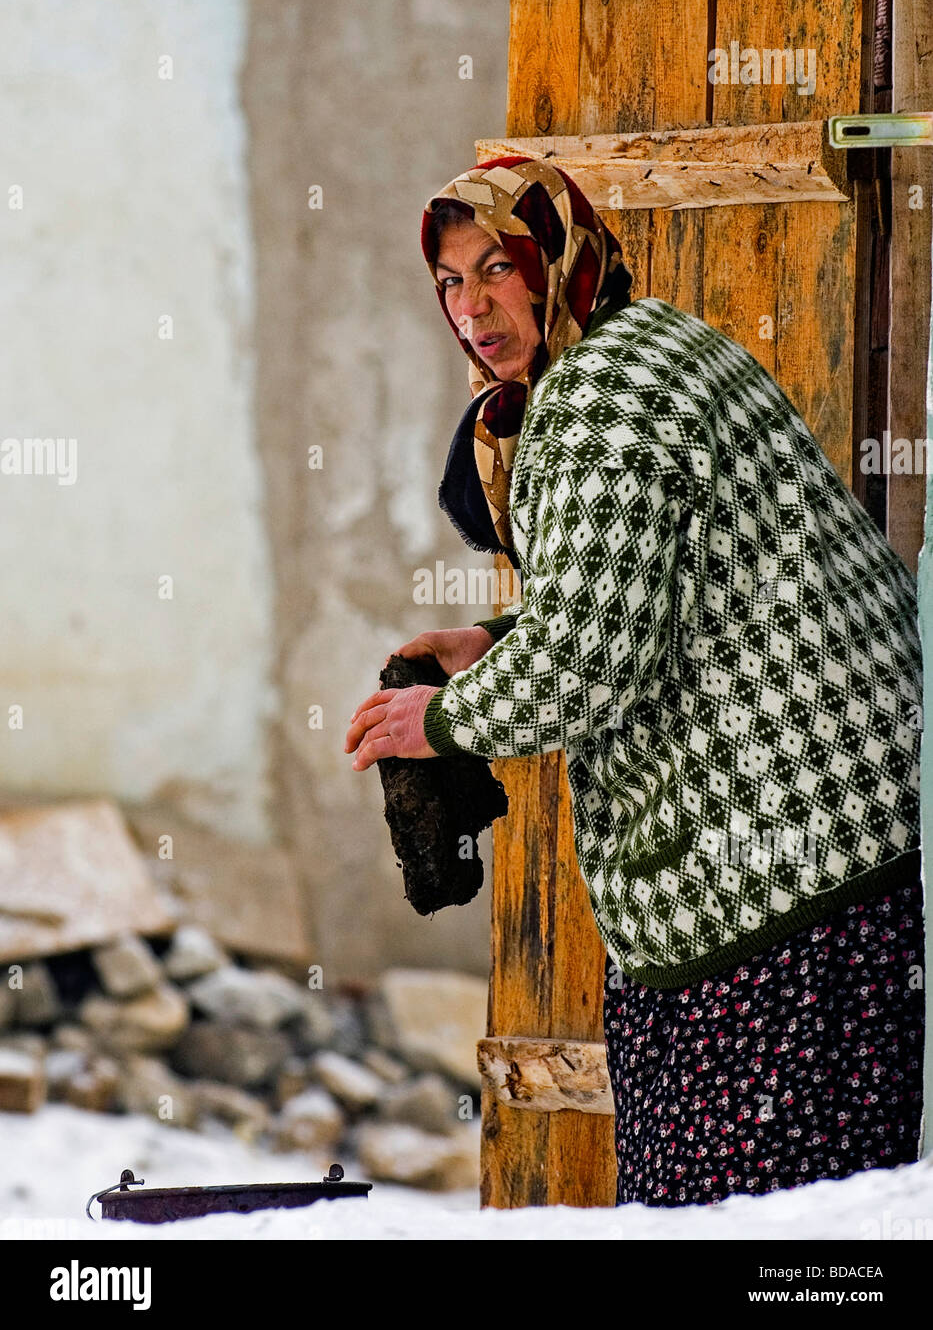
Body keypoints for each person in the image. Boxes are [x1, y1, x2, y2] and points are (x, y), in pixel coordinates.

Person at [344, 155, 925, 1207]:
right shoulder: (654, 340)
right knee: (840, 1221)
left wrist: (446, 721)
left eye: (497, 267)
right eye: (450, 282)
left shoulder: (594, 402)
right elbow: (642, 597)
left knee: (755, 1225)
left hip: (771, 889)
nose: (473, 306)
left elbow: (589, 662)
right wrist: (495, 643)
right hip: (847, 850)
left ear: (552, 262)